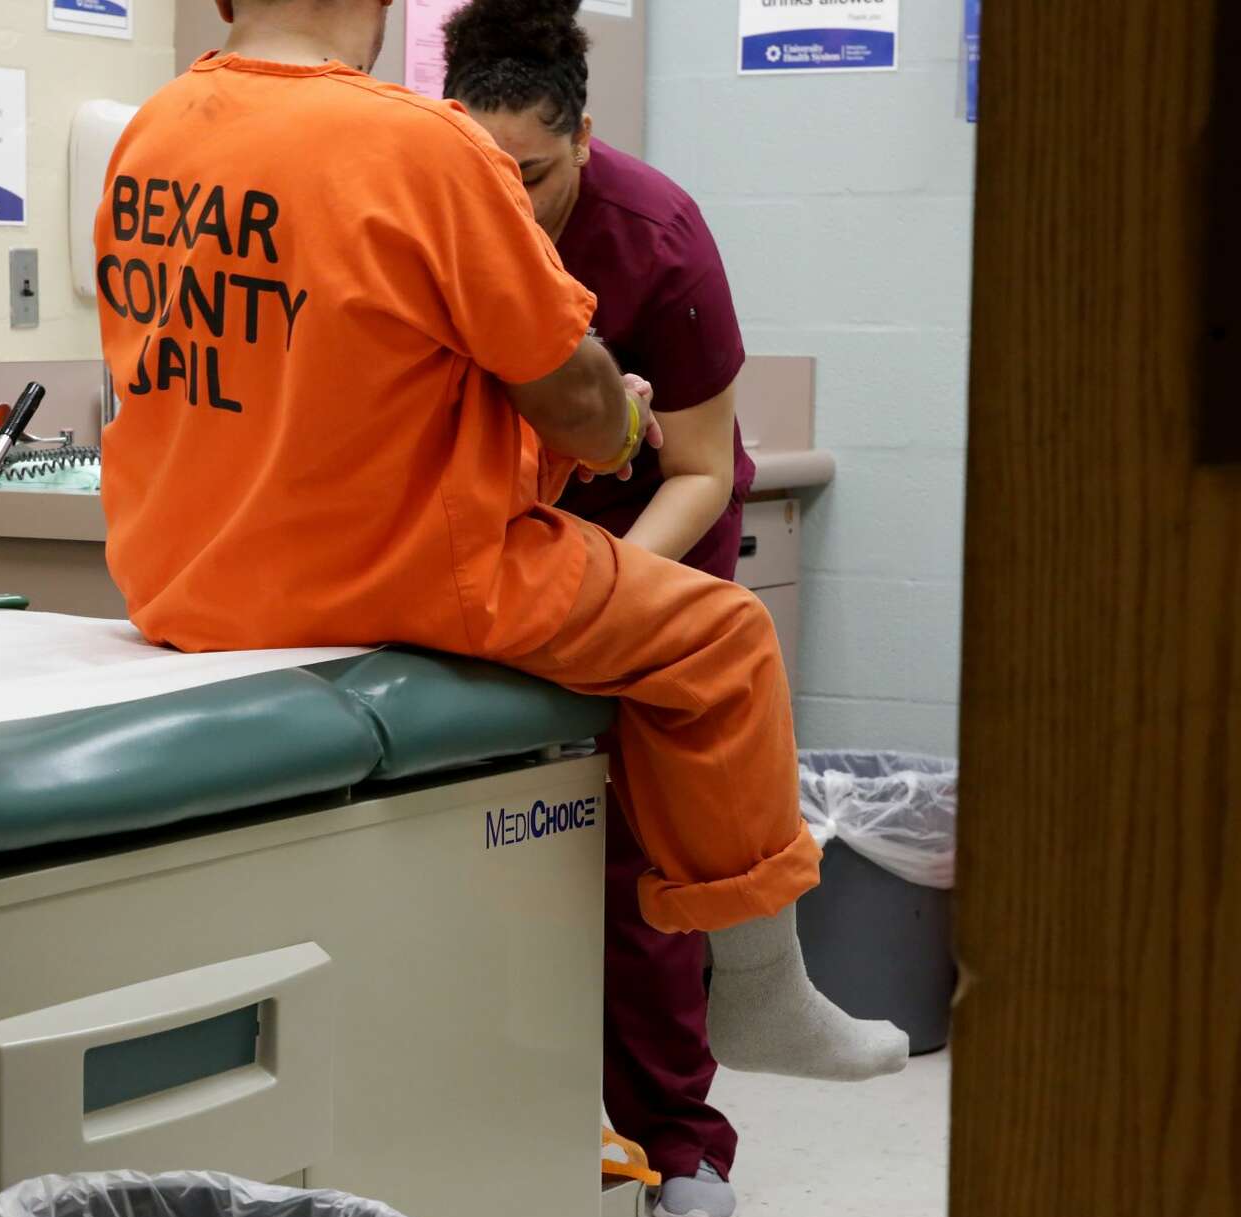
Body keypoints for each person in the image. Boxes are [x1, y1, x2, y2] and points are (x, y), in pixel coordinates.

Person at [92, 0, 907, 1104]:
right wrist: (620, 420)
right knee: (727, 639)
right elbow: (573, 399)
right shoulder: (419, 147)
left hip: (181, 579)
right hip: (396, 577)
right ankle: (760, 988)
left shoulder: (156, 129)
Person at [441, 0, 756, 1217]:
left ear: (584, 139)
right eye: (484, 173)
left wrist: (604, 596)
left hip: (653, 530)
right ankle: (517, 1125)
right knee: (489, 849)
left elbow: (703, 464)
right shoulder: (437, 206)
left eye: (533, 175)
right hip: (511, 542)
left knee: (636, 862)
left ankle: (683, 1136)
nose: (507, 205)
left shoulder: (656, 238)